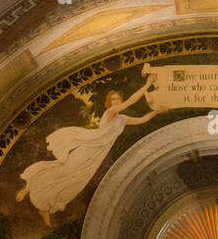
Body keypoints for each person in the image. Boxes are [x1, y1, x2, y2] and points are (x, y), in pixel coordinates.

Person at [16, 81, 165, 226]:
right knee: (65, 170)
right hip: (88, 149)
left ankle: (46, 208)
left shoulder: (123, 119)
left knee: (75, 182)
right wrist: (146, 85)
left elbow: (141, 120)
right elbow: (130, 102)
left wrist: (156, 111)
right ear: (110, 103)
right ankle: (28, 187)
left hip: (96, 156)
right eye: (113, 99)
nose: (116, 101)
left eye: (118, 99)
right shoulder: (110, 112)